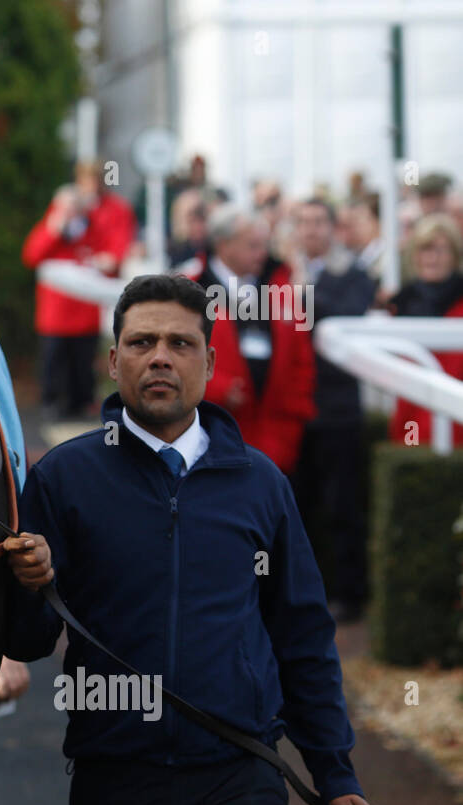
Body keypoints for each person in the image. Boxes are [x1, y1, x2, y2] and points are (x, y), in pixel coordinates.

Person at [1, 273, 373, 805]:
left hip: (240, 783)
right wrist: (30, 585)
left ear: (209, 360)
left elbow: (302, 639)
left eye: (180, 344)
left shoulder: (261, 484)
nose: (160, 359)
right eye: (142, 342)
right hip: (113, 788)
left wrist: (335, 773)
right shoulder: (62, 479)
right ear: (113, 357)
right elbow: (25, 639)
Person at [289, 198, 377, 623]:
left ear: (332, 227)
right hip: (296, 407)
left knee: (343, 506)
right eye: (303, 222)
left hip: (339, 408)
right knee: (297, 506)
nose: (311, 230)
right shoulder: (280, 277)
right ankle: (305, 591)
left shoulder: (354, 275)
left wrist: (302, 292)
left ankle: (350, 595)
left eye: (318, 222)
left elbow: (345, 316)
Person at [194, 206, 315, 476]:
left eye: (265, 245)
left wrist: (292, 418)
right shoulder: (190, 288)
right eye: (253, 245)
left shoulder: (281, 291)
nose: (263, 253)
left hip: (276, 443)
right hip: (212, 436)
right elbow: (176, 357)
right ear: (223, 245)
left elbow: (302, 360)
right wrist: (217, 390)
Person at [22, 160, 136, 420]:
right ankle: (52, 403)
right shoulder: (59, 218)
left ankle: (81, 403)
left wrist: (104, 260)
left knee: (83, 363)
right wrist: (55, 229)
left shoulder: (101, 220)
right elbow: (32, 255)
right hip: (56, 310)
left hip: (85, 309)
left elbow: (113, 254)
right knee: (54, 360)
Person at [387, 213, 463, 449]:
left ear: (454, 256)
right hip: (410, 415)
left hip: (456, 416)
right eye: (426, 249)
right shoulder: (401, 303)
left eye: (441, 250)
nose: (433, 258)